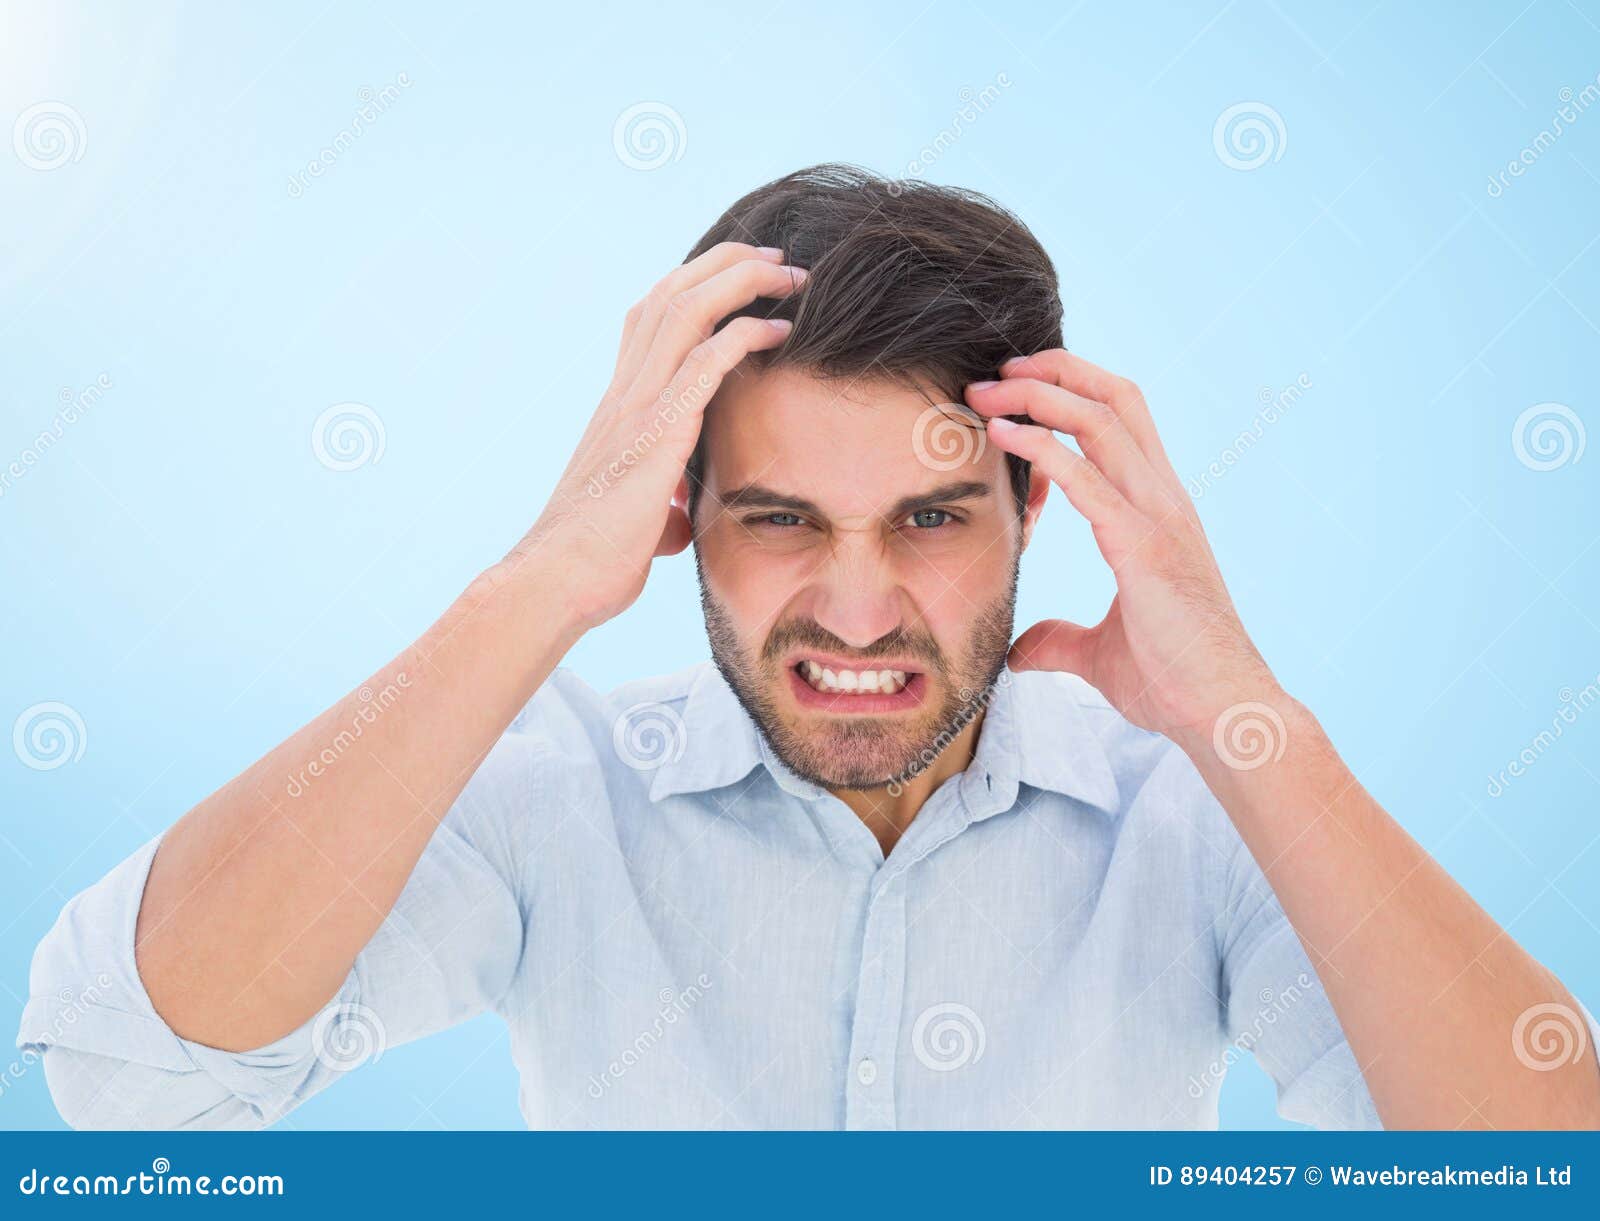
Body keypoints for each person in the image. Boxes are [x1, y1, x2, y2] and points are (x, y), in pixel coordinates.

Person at [19, 165, 1600, 1130]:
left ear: (1036, 505)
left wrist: (1245, 710)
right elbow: (132, 1076)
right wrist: (535, 583)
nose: (856, 613)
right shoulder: (560, 793)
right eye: (778, 519)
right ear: (677, 512)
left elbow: (1542, 1160)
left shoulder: (1191, 813)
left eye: (929, 520)